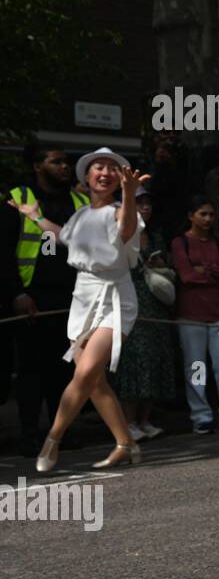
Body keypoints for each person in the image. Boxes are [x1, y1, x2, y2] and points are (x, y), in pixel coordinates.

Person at [8, 148, 150, 471]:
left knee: (84, 372)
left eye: (113, 168)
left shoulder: (122, 210)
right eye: (98, 167)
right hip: (83, 297)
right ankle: (126, 443)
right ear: (86, 177)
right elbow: (63, 237)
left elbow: (126, 231)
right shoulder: (81, 215)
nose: (105, 172)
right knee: (95, 381)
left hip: (116, 298)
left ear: (120, 179)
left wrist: (129, 195)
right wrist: (33, 215)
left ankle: (51, 440)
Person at [8, 145, 88, 455]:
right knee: (31, 368)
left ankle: (60, 431)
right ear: (38, 166)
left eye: (66, 162)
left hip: (72, 296)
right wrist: (17, 293)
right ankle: (29, 432)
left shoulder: (80, 201)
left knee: (65, 367)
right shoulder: (18, 198)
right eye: (56, 162)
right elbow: (4, 252)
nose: (65, 167)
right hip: (33, 296)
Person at [172, 196, 219, 433]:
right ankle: (201, 414)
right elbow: (186, 276)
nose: (208, 219)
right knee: (197, 367)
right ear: (190, 216)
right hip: (191, 315)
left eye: (211, 215)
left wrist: (208, 270)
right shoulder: (180, 242)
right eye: (203, 214)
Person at [111, 186, 176, 441]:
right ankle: (128, 423)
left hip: (156, 302)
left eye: (148, 203)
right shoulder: (121, 234)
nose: (145, 208)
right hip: (130, 302)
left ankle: (145, 420)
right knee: (135, 362)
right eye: (139, 203)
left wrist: (161, 264)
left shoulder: (156, 234)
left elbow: (168, 263)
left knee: (157, 359)